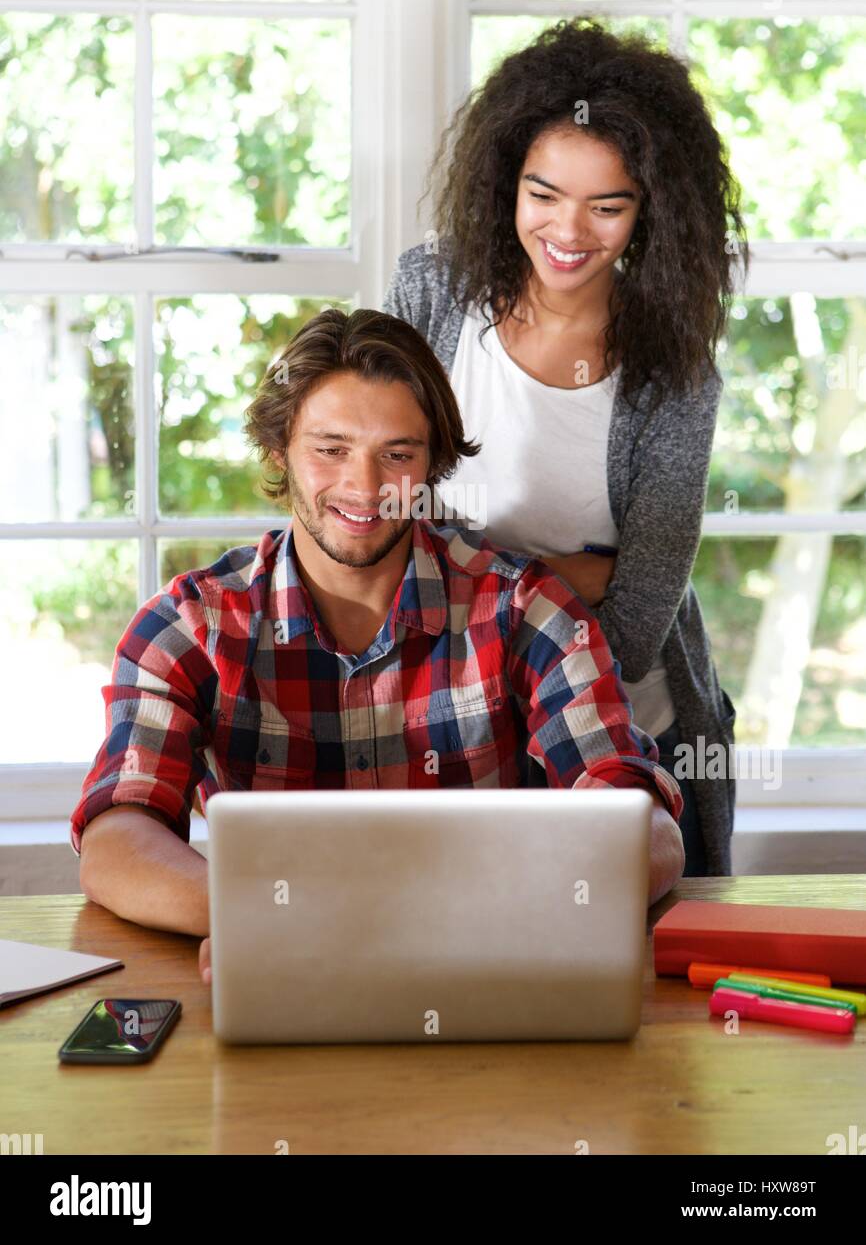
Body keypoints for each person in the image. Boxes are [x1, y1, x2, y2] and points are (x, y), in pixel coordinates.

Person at [72, 308, 685, 981]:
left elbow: (644, 828)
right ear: (279, 451)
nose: (365, 488)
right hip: (283, 975)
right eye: (330, 450)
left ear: (432, 464)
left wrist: (464, 919)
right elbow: (116, 839)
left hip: (487, 978)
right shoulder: (187, 626)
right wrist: (268, 915)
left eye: (397, 454)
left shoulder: (525, 609)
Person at [383, 17, 747, 876]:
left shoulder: (675, 377)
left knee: (645, 1009)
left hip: (635, 748)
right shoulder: (430, 292)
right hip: (454, 746)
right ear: (505, 182)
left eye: (607, 205)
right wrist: (568, 575)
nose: (568, 230)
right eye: (543, 194)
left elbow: (636, 619)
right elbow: (382, 526)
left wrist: (475, 569)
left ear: (650, 211)